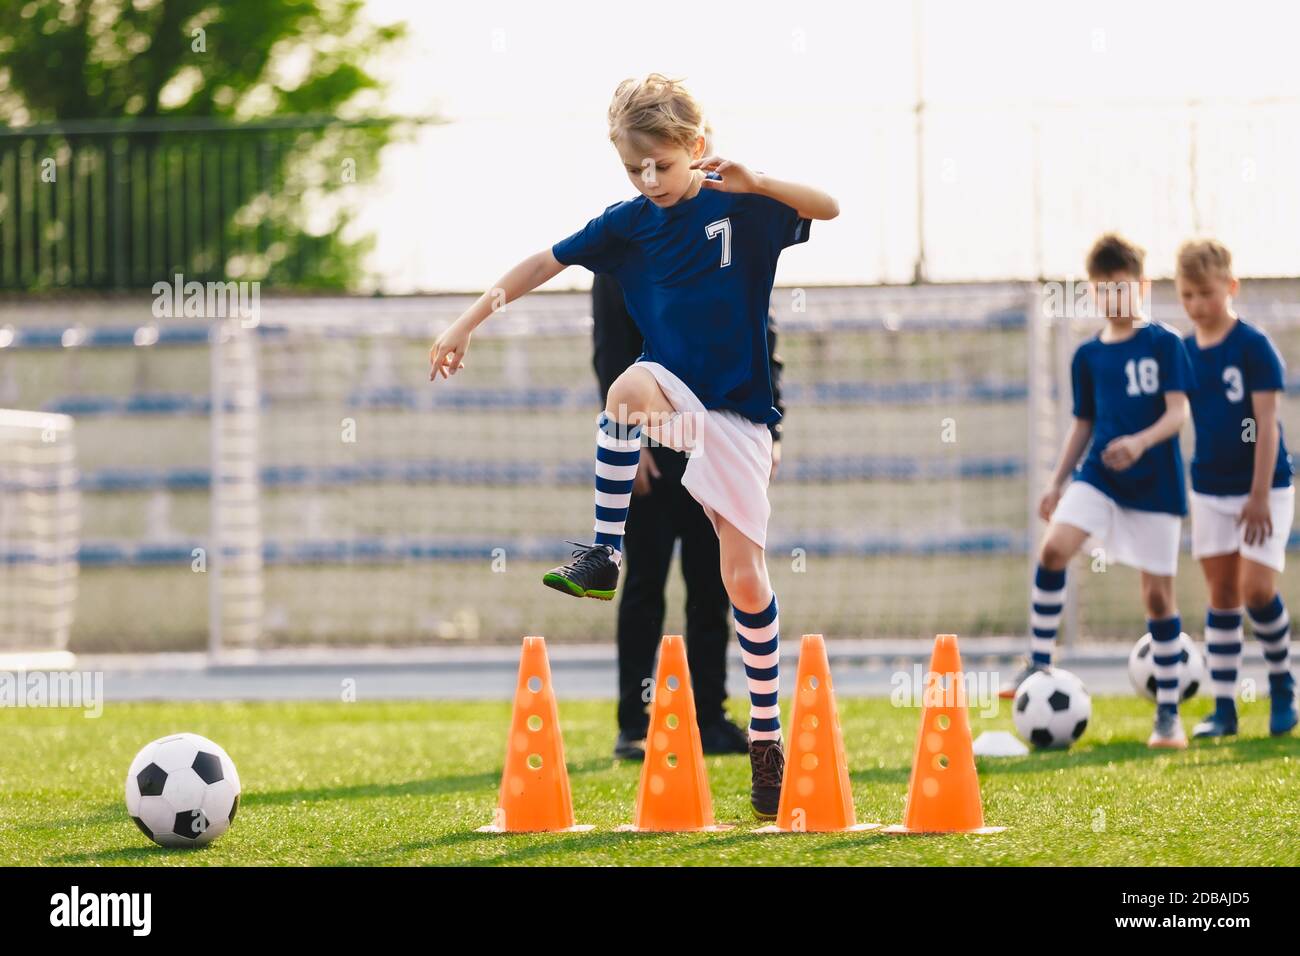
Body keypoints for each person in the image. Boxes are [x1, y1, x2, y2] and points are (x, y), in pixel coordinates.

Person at [429, 73, 838, 817]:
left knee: (742, 581)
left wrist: (760, 180)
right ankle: (603, 553)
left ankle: (767, 738)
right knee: (624, 391)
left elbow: (829, 206)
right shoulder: (628, 224)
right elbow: (543, 262)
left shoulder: (743, 204)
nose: (649, 180)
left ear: (697, 147)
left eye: (662, 165)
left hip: (738, 418)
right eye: (633, 168)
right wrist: (465, 323)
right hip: (672, 395)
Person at [1001, 233, 1195, 749]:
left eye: (1122, 287)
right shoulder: (1087, 355)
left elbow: (1178, 413)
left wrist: (1140, 442)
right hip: (1099, 477)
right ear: (1092, 292)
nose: (1113, 297)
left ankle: (1168, 715)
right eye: (1104, 289)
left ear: (1141, 286)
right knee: (1054, 549)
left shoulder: (1165, 343)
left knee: (1158, 597)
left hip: (1156, 485)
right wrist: (1056, 481)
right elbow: (1083, 423)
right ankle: (1039, 661)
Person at [593, 260, 786, 760]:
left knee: (713, 585)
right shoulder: (624, 245)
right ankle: (634, 723)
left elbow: (761, 336)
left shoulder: (728, 243)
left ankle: (709, 717)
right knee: (644, 585)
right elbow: (610, 348)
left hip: (719, 441)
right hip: (653, 446)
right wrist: (628, 438)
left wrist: (773, 430)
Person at [1175, 238, 1296, 738]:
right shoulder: (1183, 352)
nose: (1197, 304)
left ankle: (1283, 685)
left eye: (1206, 293)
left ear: (1231, 287)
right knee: (1222, 595)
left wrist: (1259, 494)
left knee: (1256, 589)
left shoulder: (1253, 347)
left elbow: (1265, 425)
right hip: (1209, 488)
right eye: (1187, 295)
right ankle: (1224, 708)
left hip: (1262, 489)